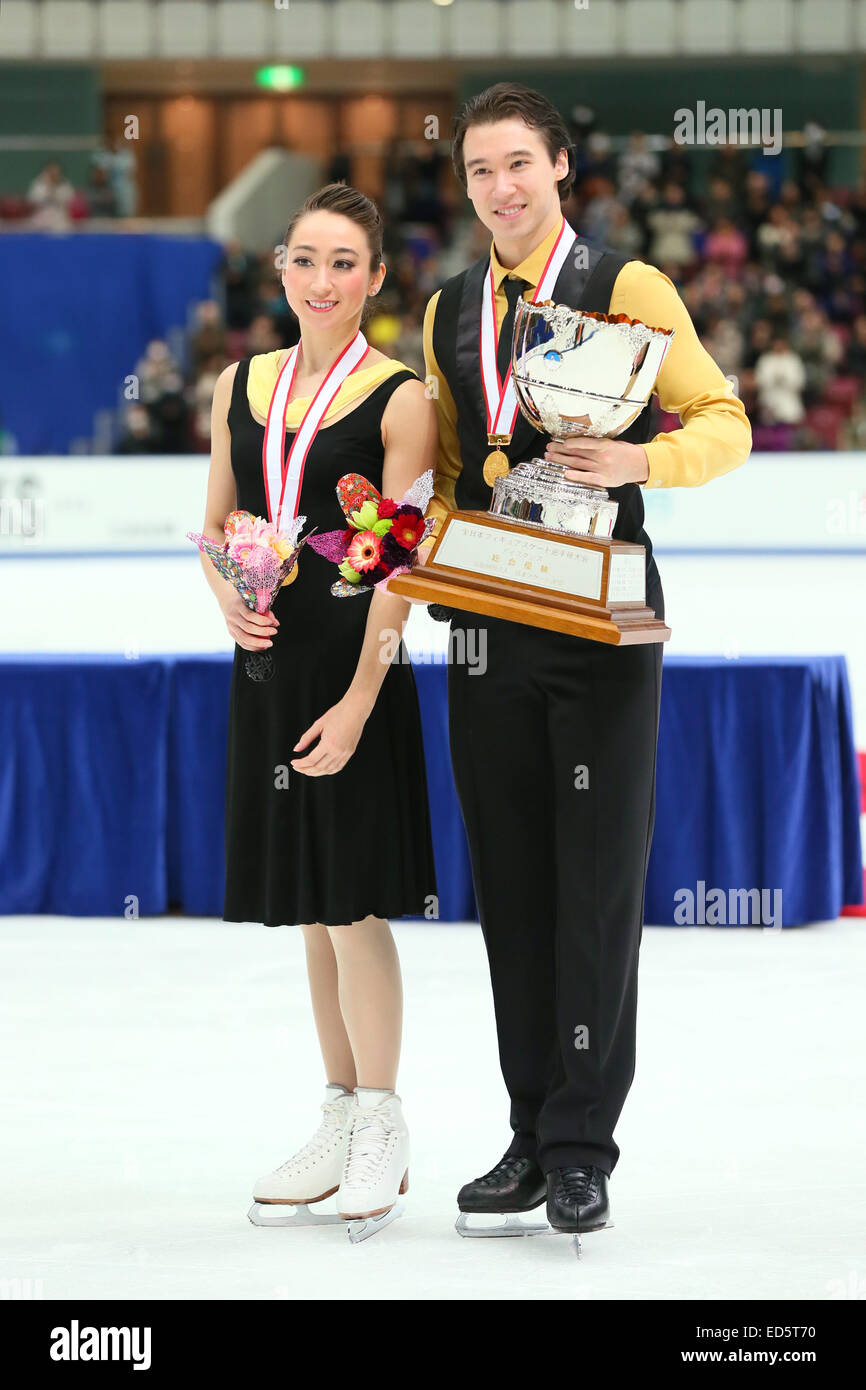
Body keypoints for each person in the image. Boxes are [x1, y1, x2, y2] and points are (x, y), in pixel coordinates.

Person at [419, 83, 752, 1237]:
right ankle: (526, 1128)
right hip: (486, 619)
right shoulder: (446, 306)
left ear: (559, 165)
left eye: (518, 163)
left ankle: (579, 1144)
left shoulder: (626, 288)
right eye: (477, 171)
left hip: (602, 620)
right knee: (510, 886)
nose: (499, 188)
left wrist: (638, 465)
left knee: (594, 886)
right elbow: (460, 466)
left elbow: (723, 419)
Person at [199, 183, 438, 1235]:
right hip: (269, 667)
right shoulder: (237, 384)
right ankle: (338, 1113)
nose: (322, 279)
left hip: (354, 672)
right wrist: (228, 601)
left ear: (376, 278)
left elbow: (397, 571)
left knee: (356, 902)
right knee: (308, 900)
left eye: (344, 262)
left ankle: (383, 1118)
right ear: (281, 268)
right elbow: (217, 522)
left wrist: (356, 702)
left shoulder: (400, 398)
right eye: (305, 259)